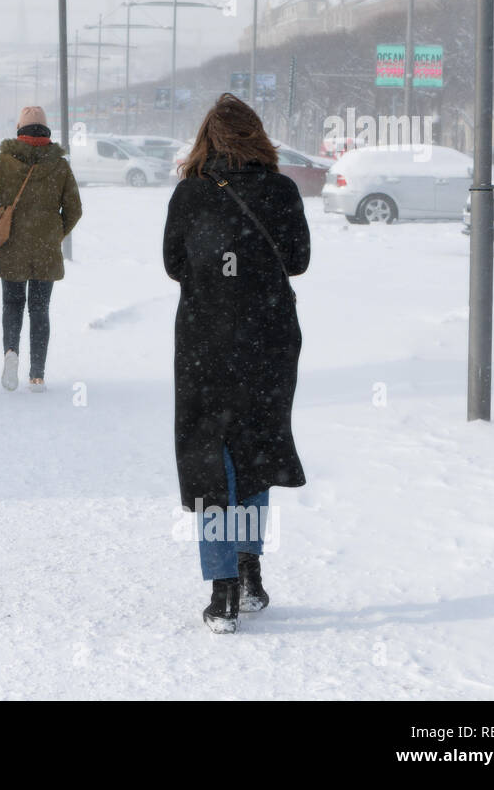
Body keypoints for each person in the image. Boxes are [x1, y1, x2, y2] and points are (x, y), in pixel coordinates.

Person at [162, 92, 311, 633]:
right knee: (255, 448)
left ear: (207, 139)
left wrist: (215, 279)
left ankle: (222, 591)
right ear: (257, 137)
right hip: (268, 339)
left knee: (210, 457)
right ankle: (250, 574)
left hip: (205, 341)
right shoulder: (281, 190)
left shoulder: (191, 193)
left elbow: (174, 264)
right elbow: (298, 260)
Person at [0, 106, 82, 392]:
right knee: (40, 309)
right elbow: (74, 208)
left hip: (12, 245)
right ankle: (37, 375)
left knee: (12, 304)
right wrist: (55, 233)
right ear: (46, 130)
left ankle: (11, 352)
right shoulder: (59, 165)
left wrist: (0, 224)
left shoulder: (4, 161)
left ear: (19, 129)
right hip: (46, 249)